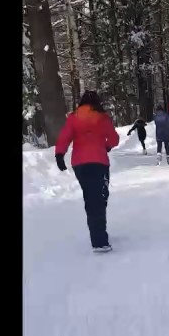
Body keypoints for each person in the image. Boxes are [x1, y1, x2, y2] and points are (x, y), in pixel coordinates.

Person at [56, 90, 120, 253]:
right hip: (98, 162)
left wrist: (59, 154)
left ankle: (99, 233)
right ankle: (99, 240)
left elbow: (64, 137)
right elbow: (113, 138)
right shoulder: (102, 117)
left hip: (80, 164)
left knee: (91, 197)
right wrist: (106, 147)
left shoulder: (73, 118)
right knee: (99, 198)